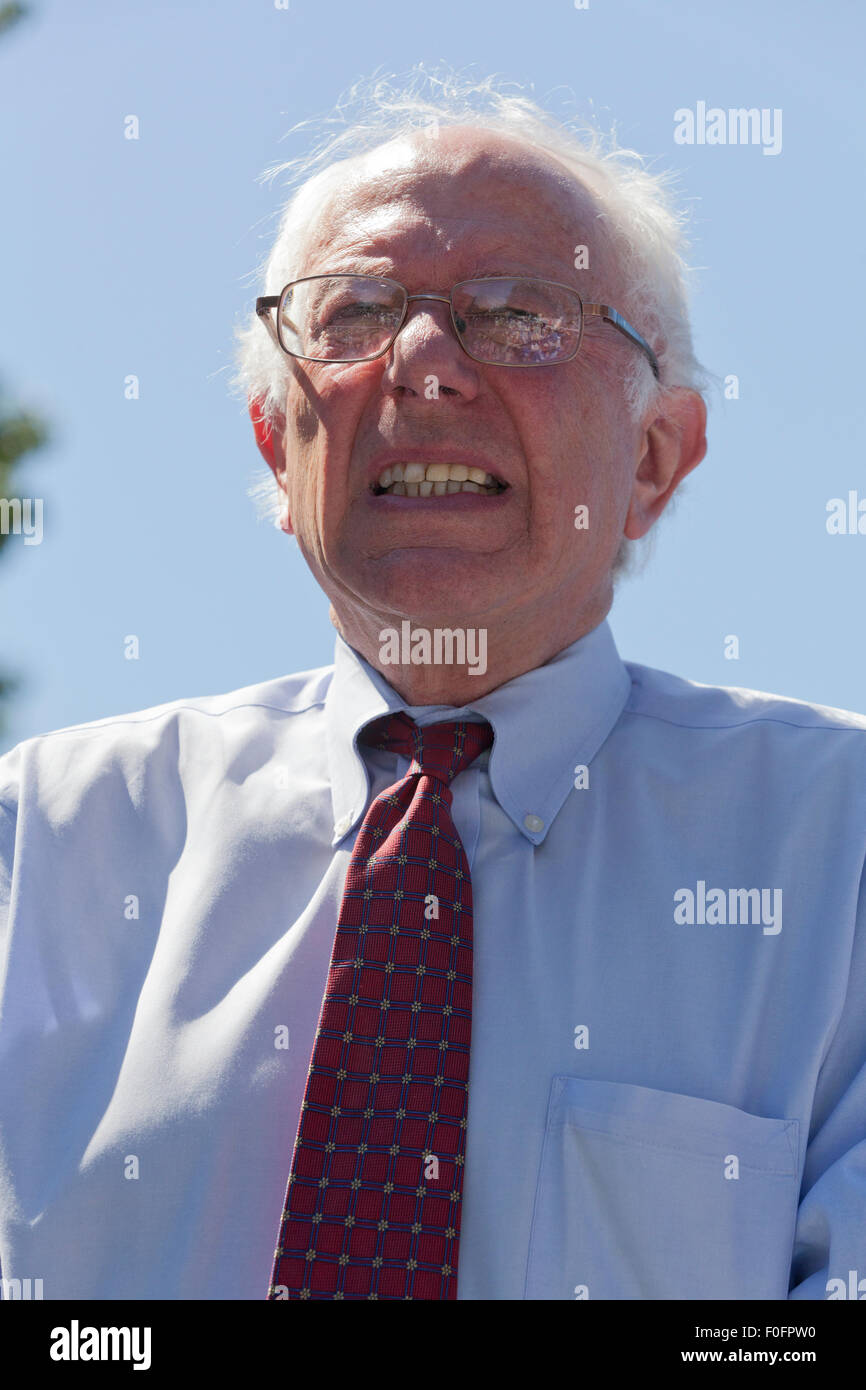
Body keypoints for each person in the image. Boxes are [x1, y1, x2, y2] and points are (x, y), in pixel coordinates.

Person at [1, 73, 863, 1302]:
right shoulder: (34, 848)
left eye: (518, 313)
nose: (421, 363)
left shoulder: (839, 855)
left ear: (656, 455)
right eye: (353, 311)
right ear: (273, 442)